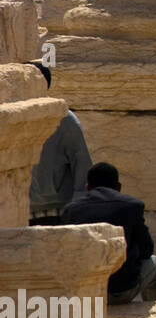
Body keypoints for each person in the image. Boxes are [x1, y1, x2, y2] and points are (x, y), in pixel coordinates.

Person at [62, 162, 156, 305]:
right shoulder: (132, 206)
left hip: (85, 293)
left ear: (88, 188)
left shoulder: (71, 210)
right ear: (118, 187)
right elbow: (147, 250)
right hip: (119, 291)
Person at [27, 62, 92, 226]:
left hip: (57, 211)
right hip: (19, 208)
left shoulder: (64, 119)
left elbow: (82, 163)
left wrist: (78, 206)